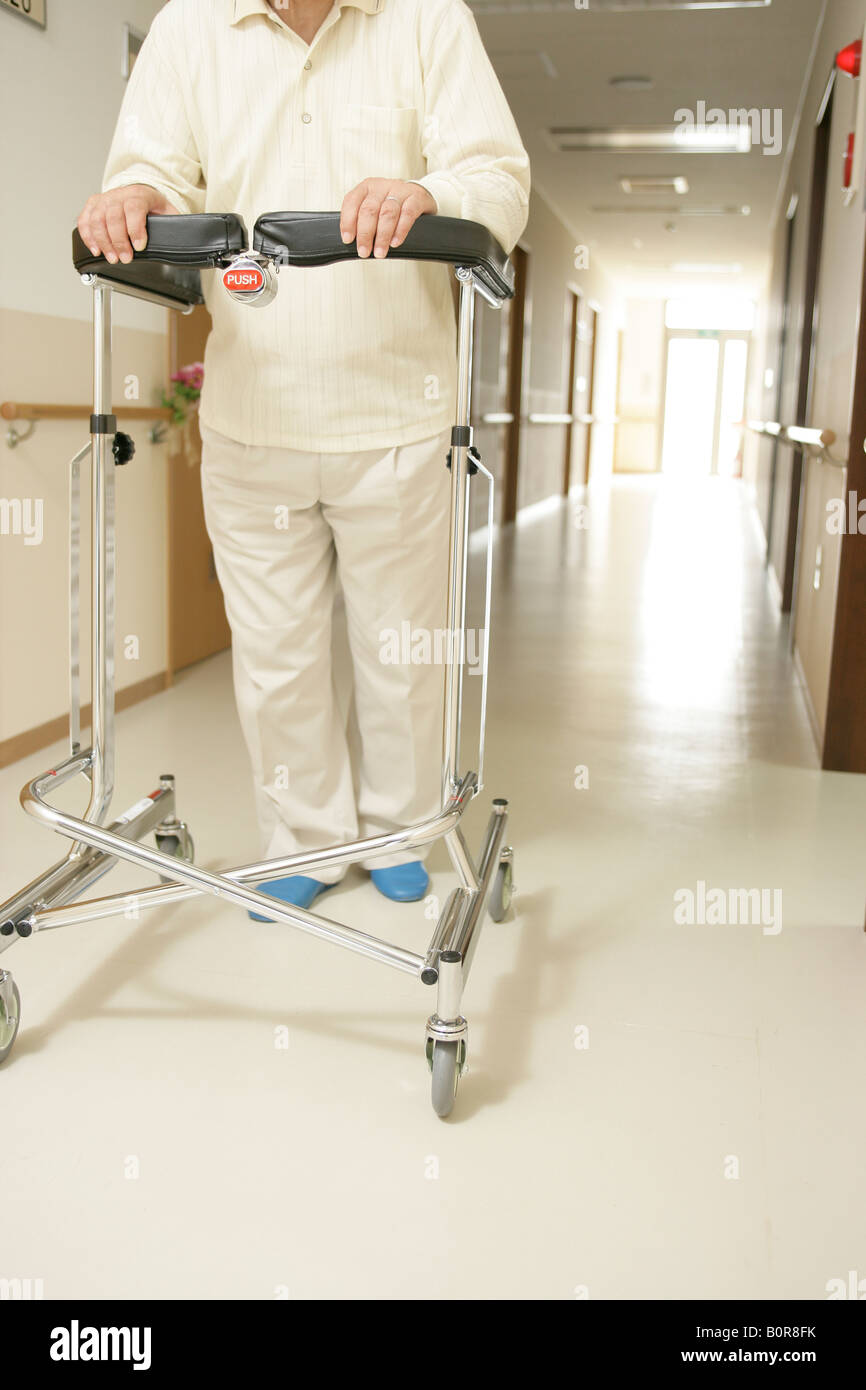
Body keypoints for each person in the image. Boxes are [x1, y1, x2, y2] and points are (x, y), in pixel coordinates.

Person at [77, 0, 530, 914]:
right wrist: (137, 196)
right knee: (276, 653)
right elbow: (152, 167)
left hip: (401, 414)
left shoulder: (428, 20)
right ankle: (306, 841)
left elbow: (497, 176)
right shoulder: (187, 27)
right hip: (254, 413)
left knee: (401, 651)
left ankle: (397, 829)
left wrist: (432, 194)